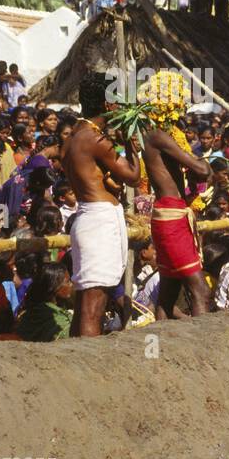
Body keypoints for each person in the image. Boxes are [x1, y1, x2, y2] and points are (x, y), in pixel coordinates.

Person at [60, 72, 143, 336]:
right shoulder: (94, 138)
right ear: (108, 105)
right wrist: (132, 147)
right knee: (94, 307)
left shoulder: (74, 135)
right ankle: (86, 369)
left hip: (89, 218)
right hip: (99, 222)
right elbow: (132, 176)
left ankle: (77, 363)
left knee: (87, 302)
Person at [140, 72, 213, 319]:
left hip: (170, 213)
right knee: (200, 291)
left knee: (168, 292)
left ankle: (163, 349)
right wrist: (201, 162)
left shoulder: (157, 135)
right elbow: (202, 169)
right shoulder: (158, 136)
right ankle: (202, 348)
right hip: (171, 217)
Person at [16, 261, 73, 341]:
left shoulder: (28, 313)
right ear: (55, 285)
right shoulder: (61, 323)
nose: (71, 284)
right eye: (67, 281)